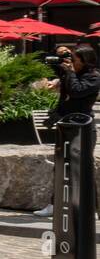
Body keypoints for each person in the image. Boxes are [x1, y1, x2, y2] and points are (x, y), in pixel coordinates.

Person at [35, 45, 100, 217]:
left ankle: (90, 207)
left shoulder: (93, 77)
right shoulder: (71, 74)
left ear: (86, 61)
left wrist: (69, 73)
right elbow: (65, 97)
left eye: (75, 60)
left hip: (83, 128)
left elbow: (77, 92)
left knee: (84, 168)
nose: (72, 62)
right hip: (66, 125)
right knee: (60, 166)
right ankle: (54, 204)